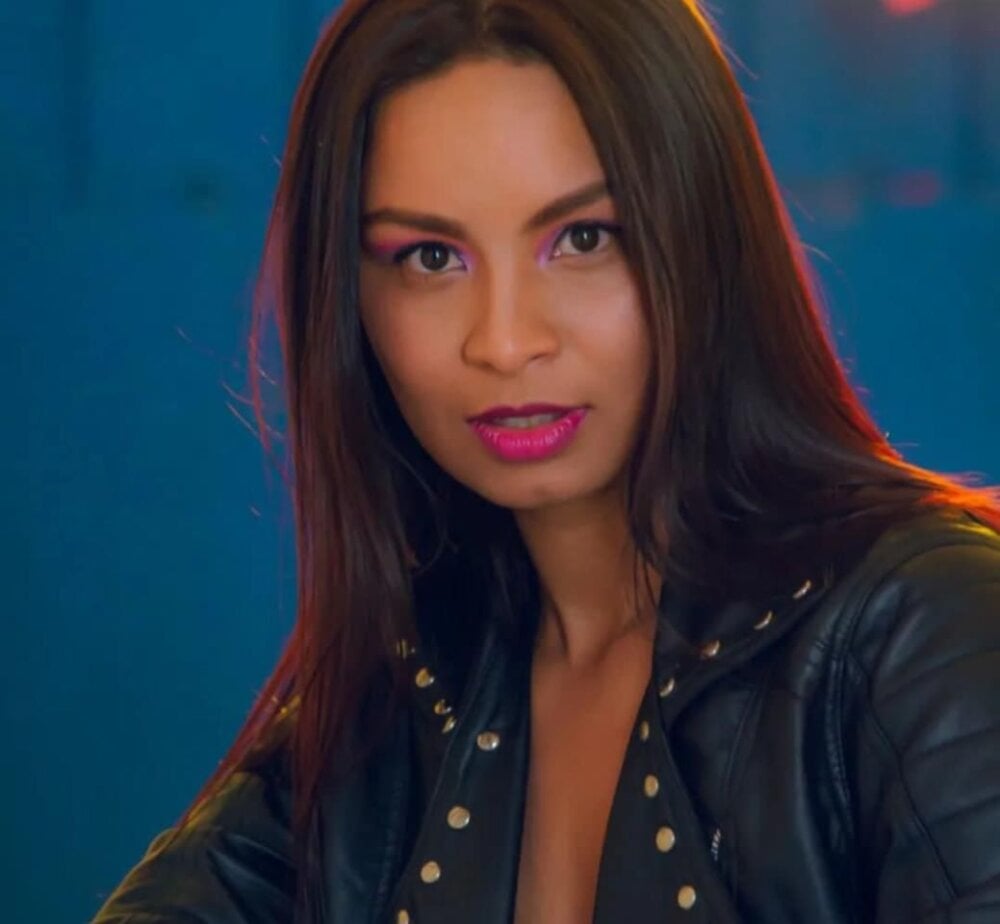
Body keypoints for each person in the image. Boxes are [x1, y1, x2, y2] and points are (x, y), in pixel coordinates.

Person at [93, 0, 1000, 921]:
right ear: (351, 300)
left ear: (707, 241)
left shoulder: (927, 633)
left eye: (584, 239)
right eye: (430, 257)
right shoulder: (407, 695)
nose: (504, 341)